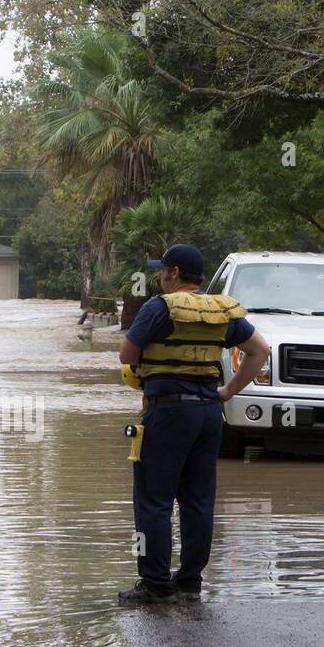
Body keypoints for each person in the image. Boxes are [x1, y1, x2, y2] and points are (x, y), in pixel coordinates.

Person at [117, 244, 270, 604]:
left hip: (167, 413)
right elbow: (260, 350)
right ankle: (189, 583)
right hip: (207, 416)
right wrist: (229, 390)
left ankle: (155, 584)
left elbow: (126, 355)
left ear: (173, 273)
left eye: (162, 270)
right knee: (198, 500)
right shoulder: (222, 311)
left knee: (154, 500)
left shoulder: (159, 307)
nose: (159, 276)